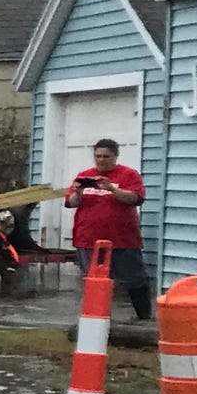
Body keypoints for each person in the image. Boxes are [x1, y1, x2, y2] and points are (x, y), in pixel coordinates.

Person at [68, 137, 151, 321]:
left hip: (122, 240)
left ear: (115, 156)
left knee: (134, 278)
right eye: (98, 156)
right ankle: (97, 318)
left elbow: (135, 199)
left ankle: (144, 317)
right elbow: (71, 202)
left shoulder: (128, 175)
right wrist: (78, 192)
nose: (101, 160)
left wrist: (112, 189)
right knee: (94, 282)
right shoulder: (85, 175)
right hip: (88, 240)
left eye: (106, 156)